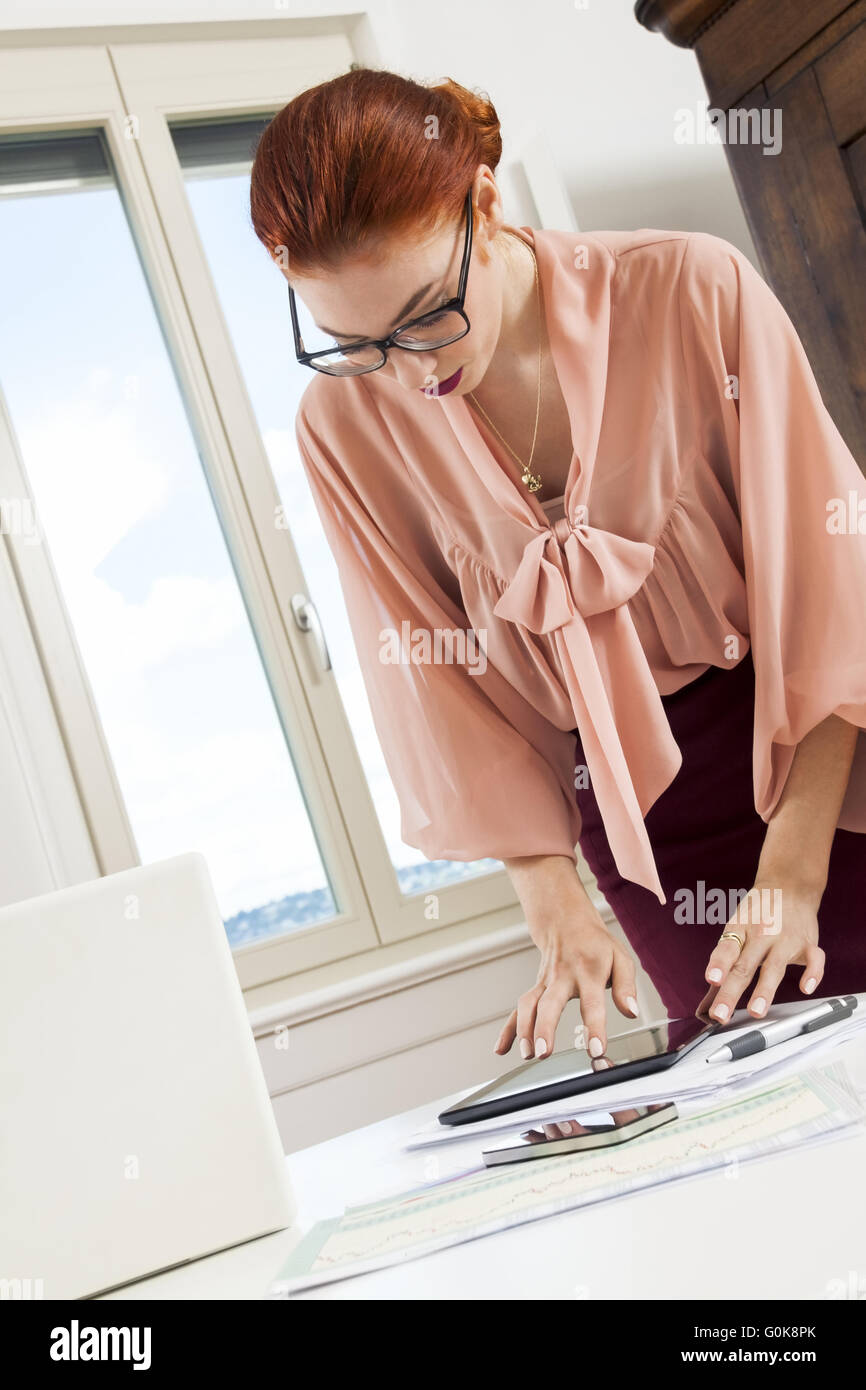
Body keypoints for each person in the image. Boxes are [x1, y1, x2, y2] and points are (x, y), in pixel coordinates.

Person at [249, 68, 866, 1062]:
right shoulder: (343, 427)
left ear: (483, 207)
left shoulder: (688, 290)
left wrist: (792, 871)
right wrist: (555, 901)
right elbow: (435, 686)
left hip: (819, 772)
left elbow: (836, 593)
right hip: (638, 834)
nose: (410, 372)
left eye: (423, 317)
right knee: (751, 1107)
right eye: (354, 343)